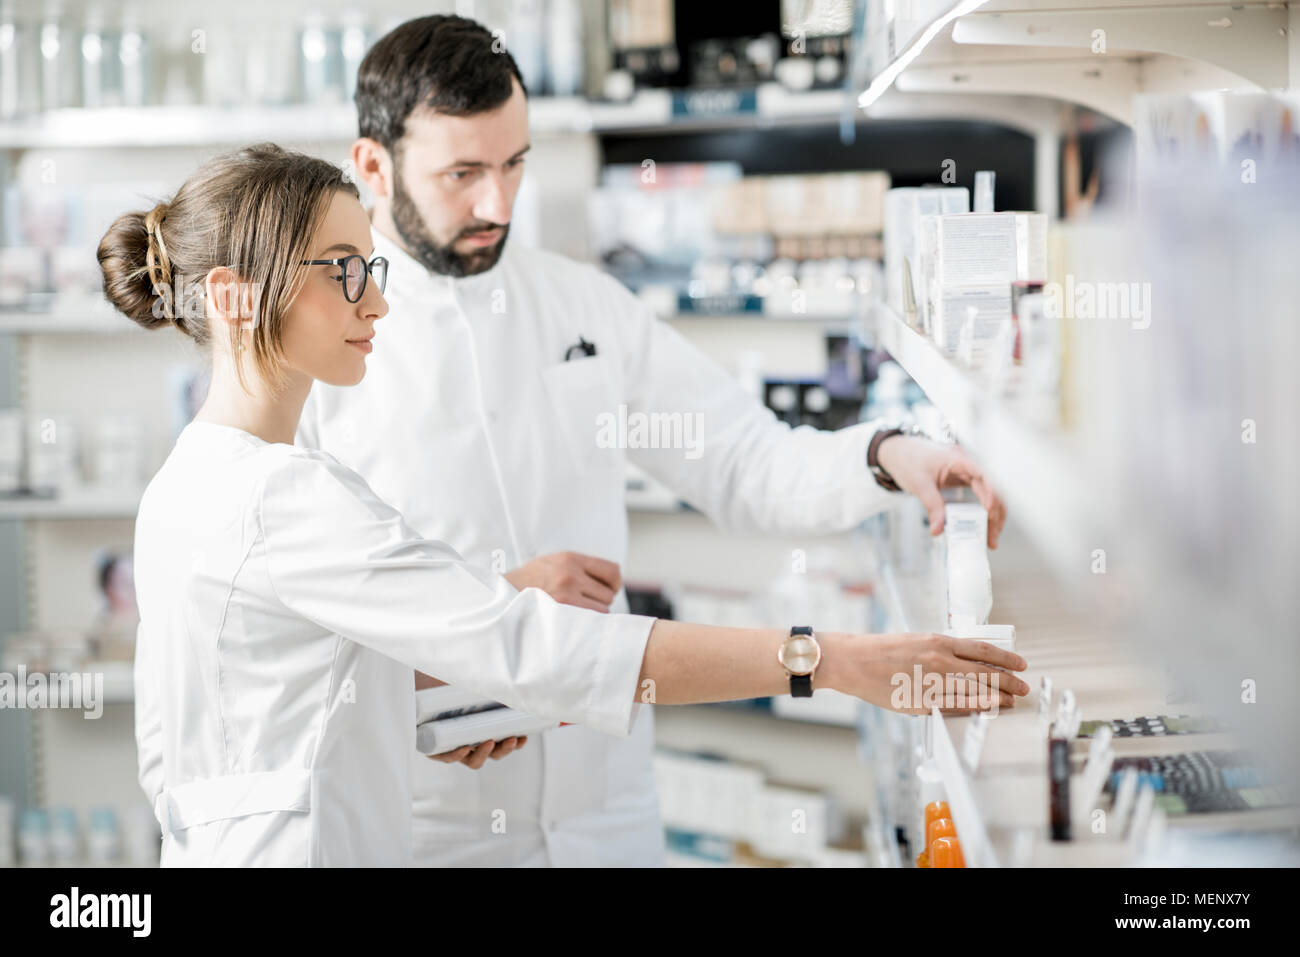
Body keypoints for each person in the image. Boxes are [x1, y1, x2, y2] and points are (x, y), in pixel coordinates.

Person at [102, 143, 1026, 867]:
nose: (375, 303)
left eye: (371, 268)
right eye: (344, 270)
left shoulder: (197, 481)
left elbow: (281, 698)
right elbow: (530, 649)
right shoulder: (275, 492)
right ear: (231, 296)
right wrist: (829, 660)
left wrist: (440, 694)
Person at [296, 15, 1011, 868]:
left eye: (515, 164)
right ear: (372, 165)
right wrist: (469, 642)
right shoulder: (320, 347)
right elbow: (299, 627)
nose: (499, 203)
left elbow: (749, 460)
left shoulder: (583, 306)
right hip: (433, 825)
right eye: (463, 173)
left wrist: (889, 454)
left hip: (607, 810)